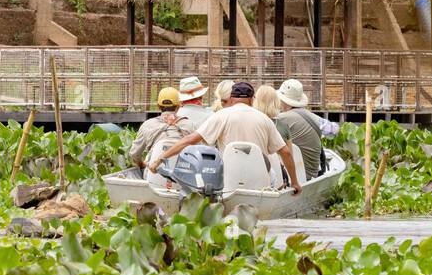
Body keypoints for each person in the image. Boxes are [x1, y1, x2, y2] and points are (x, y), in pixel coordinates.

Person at [148, 81, 300, 193]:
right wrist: (294, 182)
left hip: (228, 181)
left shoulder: (221, 115)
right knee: (275, 176)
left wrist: (160, 159)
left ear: (232, 99)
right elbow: (285, 152)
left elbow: (189, 141)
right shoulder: (264, 119)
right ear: (252, 100)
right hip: (260, 181)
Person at [127, 87, 195, 168]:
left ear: (158, 106)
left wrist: (142, 165)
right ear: (178, 106)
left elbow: (134, 154)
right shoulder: (190, 125)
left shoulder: (147, 124)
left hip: (153, 174)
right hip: (182, 175)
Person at [274, 78, 323, 181]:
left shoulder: (283, 118)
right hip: (313, 172)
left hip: (300, 175)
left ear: (283, 100)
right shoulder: (311, 116)